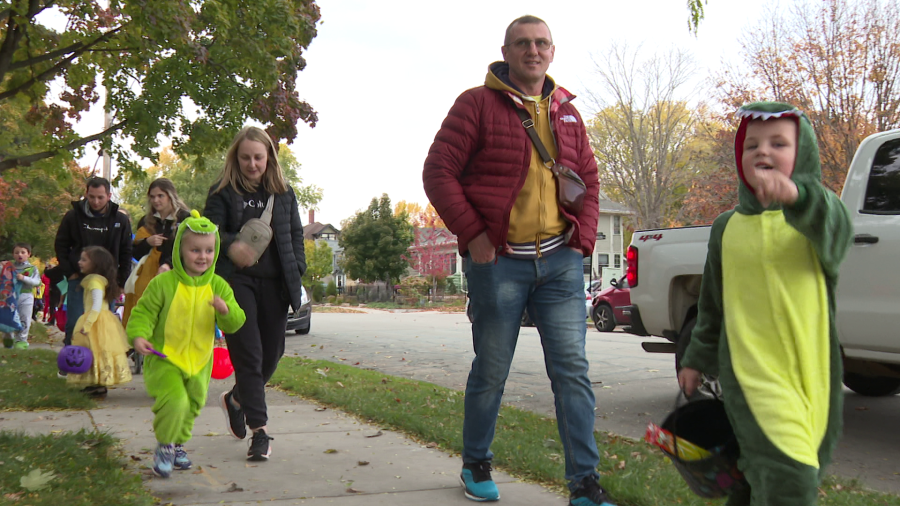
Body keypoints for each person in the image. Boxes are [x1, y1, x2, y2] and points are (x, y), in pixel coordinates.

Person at [423, 16, 614, 506]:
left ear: (553, 51)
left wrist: (583, 240)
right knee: (492, 367)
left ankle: (585, 485)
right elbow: (438, 171)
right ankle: (476, 462)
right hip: (500, 261)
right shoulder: (476, 104)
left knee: (572, 370)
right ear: (505, 51)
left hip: (560, 260)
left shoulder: (567, 112)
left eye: (541, 43)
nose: (533, 51)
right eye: (523, 43)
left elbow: (588, 180)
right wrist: (473, 235)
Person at [677, 102, 853, 506]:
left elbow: (836, 229)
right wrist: (695, 358)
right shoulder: (727, 227)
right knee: (789, 478)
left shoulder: (814, 220)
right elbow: (712, 305)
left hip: (810, 377)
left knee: (757, 478)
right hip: (751, 375)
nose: (763, 152)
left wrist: (797, 197)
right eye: (751, 145)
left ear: (802, 154)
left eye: (779, 143)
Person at [203, 126, 307, 461]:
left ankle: (235, 400)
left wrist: (299, 269)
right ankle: (259, 432)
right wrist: (235, 244)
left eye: (258, 157)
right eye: (245, 157)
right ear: (236, 157)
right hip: (237, 283)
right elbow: (210, 233)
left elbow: (294, 234)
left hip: (276, 284)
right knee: (248, 354)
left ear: (269, 158)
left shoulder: (284, 193)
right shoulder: (221, 192)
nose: (252, 164)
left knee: (272, 354)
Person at [127, 210, 246, 478]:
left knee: (192, 405)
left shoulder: (219, 286)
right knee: (175, 402)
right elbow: (143, 313)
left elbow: (236, 322)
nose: (202, 256)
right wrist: (138, 336)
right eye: (195, 250)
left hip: (201, 362)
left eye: (208, 250)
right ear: (181, 249)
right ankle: (165, 446)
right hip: (164, 357)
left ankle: (177, 443)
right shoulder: (163, 284)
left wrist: (225, 311)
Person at [54, 177, 133, 368]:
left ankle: (98, 367)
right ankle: (71, 364)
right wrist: (70, 271)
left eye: (100, 197)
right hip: (78, 279)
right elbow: (61, 245)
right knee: (75, 323)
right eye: (91, 197)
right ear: (86, 194)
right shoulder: (73, 217)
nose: (96, 202)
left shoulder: (120, 220)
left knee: (100, 326)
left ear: (108, 196)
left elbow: (126, 251)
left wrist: (122, 281)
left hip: (108, 282)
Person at [122, 178, 191, 327]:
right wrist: (147, 242)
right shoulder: (146, 221)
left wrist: (168, 264)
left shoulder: (186, 218)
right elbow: (135, 253)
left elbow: (187, 248)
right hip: (148, 277)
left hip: (177, 275)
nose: (156, 200)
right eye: (152, 197)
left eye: (160, 196)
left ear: (170, 196)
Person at [66, 246, 133, 396]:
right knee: (96, 351)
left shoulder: (94, 281)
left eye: (84, 259)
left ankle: (97, 384)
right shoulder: (98, 280)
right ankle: (96, 383)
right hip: (101, 319)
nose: (79, 262)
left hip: (95, 320)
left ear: (96, 264)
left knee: (93, 351)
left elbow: (96, 305)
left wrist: (88, 323)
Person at [3, 243, 41, 349]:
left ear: (28, 254)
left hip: (26, 296)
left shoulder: (32, 268)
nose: (20, 254)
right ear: (13, 254)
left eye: (23, 252)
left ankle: (21, 340)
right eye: (16, 252)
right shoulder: (8, 267)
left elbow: (37, 282)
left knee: (24, 318)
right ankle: (8, 338)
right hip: (11, 296)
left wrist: (24, 278)